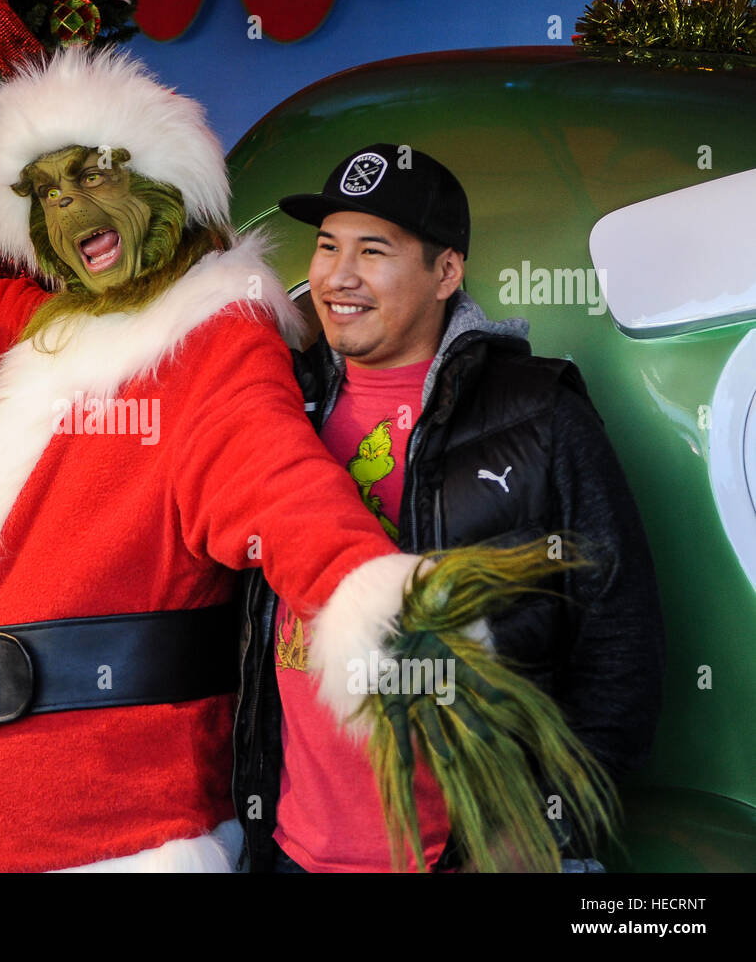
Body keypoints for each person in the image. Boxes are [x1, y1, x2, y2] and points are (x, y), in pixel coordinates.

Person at [0, 52, 598, 874]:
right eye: (46, 193)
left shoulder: (218, 340)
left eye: (90, 175)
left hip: (99, 827)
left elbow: (279, 484)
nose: (67, 207)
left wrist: (365, 597)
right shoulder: (73, 324)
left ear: (166, 182)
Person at [234, 143, 666, 872]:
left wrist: (540, 827)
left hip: (468, 854)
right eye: (328, 246)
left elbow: (622, 643)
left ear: (447, 272)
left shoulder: (541, 414)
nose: (338, 276)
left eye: (373, 250)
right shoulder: (279, 406)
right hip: (289, 850)